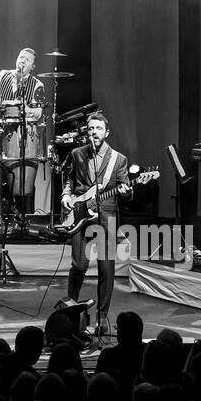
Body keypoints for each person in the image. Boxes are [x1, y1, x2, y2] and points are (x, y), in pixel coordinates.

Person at [58, 112, 130, 335]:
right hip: (80, 213)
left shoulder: (118, 159)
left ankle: (102, 316)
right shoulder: (77, 154)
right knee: (79, 265)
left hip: (105, 216)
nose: (94, 132)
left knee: (105, 268)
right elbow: (69, 179)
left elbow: (125, 189)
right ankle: (70, 310)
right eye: (91, 129)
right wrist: (66, 195)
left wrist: (126, 192)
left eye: (98, 128)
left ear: (106, 132)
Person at [0, 48, 46, 233]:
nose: (22, 61)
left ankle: (20, 222)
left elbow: (38, 113)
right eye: (21, 57)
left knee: (19, 178)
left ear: (32, 66)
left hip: (21, 138)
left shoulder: (37, 85)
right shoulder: (4, 75)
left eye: (27, 60)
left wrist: (22, 107)